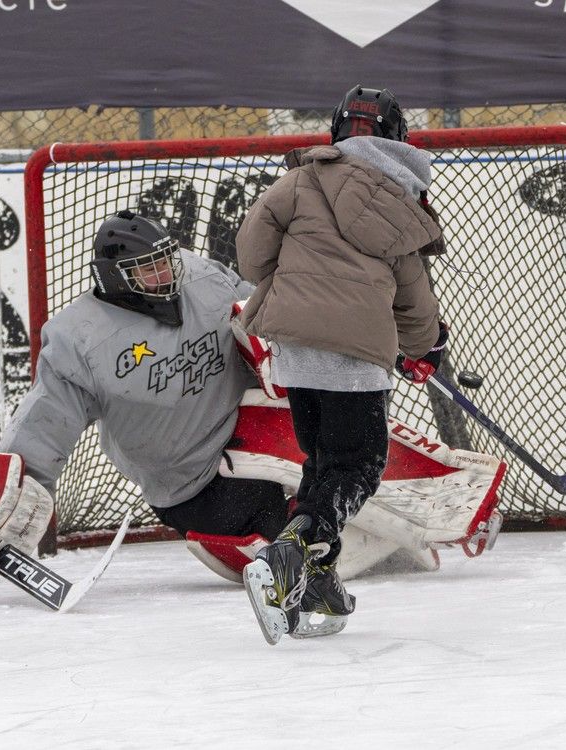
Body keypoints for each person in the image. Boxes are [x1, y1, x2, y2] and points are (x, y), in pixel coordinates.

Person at [0, 210, 290, 582]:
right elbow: (40, 432)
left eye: (166, 260)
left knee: (331, 475)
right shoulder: (79, 340)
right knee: (287, 544)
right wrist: (3, 525)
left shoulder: (204, 277)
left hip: (259, 431)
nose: (165, 274)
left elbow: (265, 319)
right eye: (148, 268)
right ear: (114, 277)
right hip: (191, 482)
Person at [235, 84, 451, 644]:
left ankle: (315, 582)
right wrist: (424, 345)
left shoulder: (299, 179)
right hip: (355, 354)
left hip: (296, 350)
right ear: (397, 137)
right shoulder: (400, 197)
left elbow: (253, 254)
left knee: (323, 462)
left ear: (336, 132)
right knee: (358, 466)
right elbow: (413, 296)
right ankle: (298, 548)